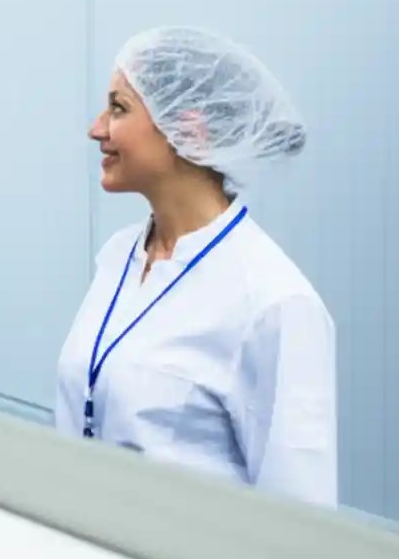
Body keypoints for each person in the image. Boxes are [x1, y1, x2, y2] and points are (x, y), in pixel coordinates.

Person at [54, 27, 338, 507]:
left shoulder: (274, 303)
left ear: (187, 131)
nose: (96, 128)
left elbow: (302, 519)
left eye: (118, 108)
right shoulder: (119, 258)